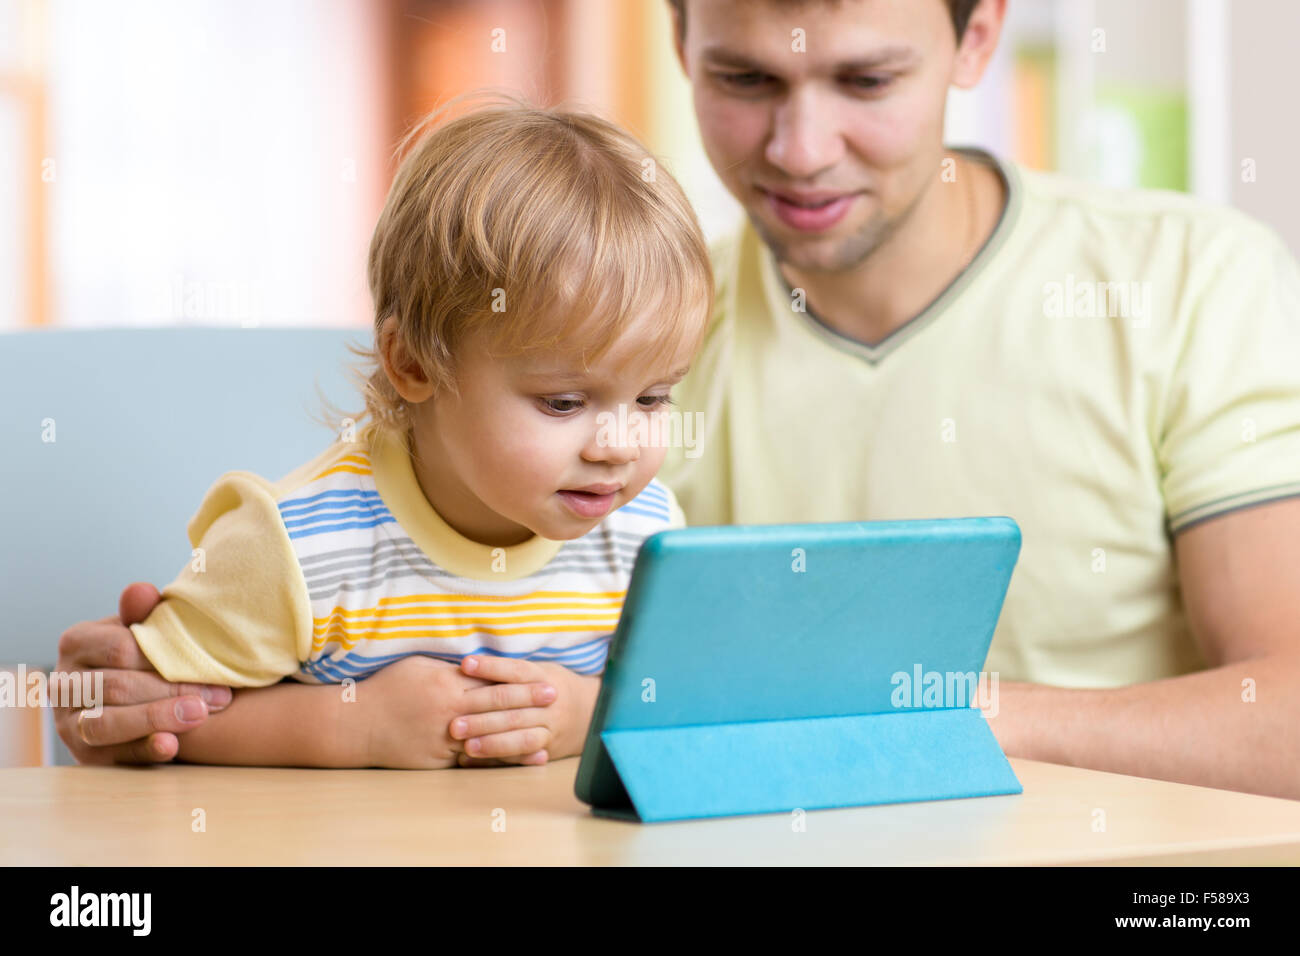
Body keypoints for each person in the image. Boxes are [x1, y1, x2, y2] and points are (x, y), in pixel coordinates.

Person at [58, 0, 1300, 799]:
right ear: (676, 41)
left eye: (866, 82)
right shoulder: (620, 309)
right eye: (744, 79)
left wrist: (923, 712)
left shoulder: (1196, 282)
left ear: (979, 40)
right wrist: (174, 697)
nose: (800, 149)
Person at [63, 96, 711, 769]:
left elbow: (687, 701)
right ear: (413, 362)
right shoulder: (294, 546)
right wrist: (354, 727)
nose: (618, 444)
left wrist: (584, 712)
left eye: (653, 397)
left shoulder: (648, 536)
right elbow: (144, 721)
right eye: (564, 401)